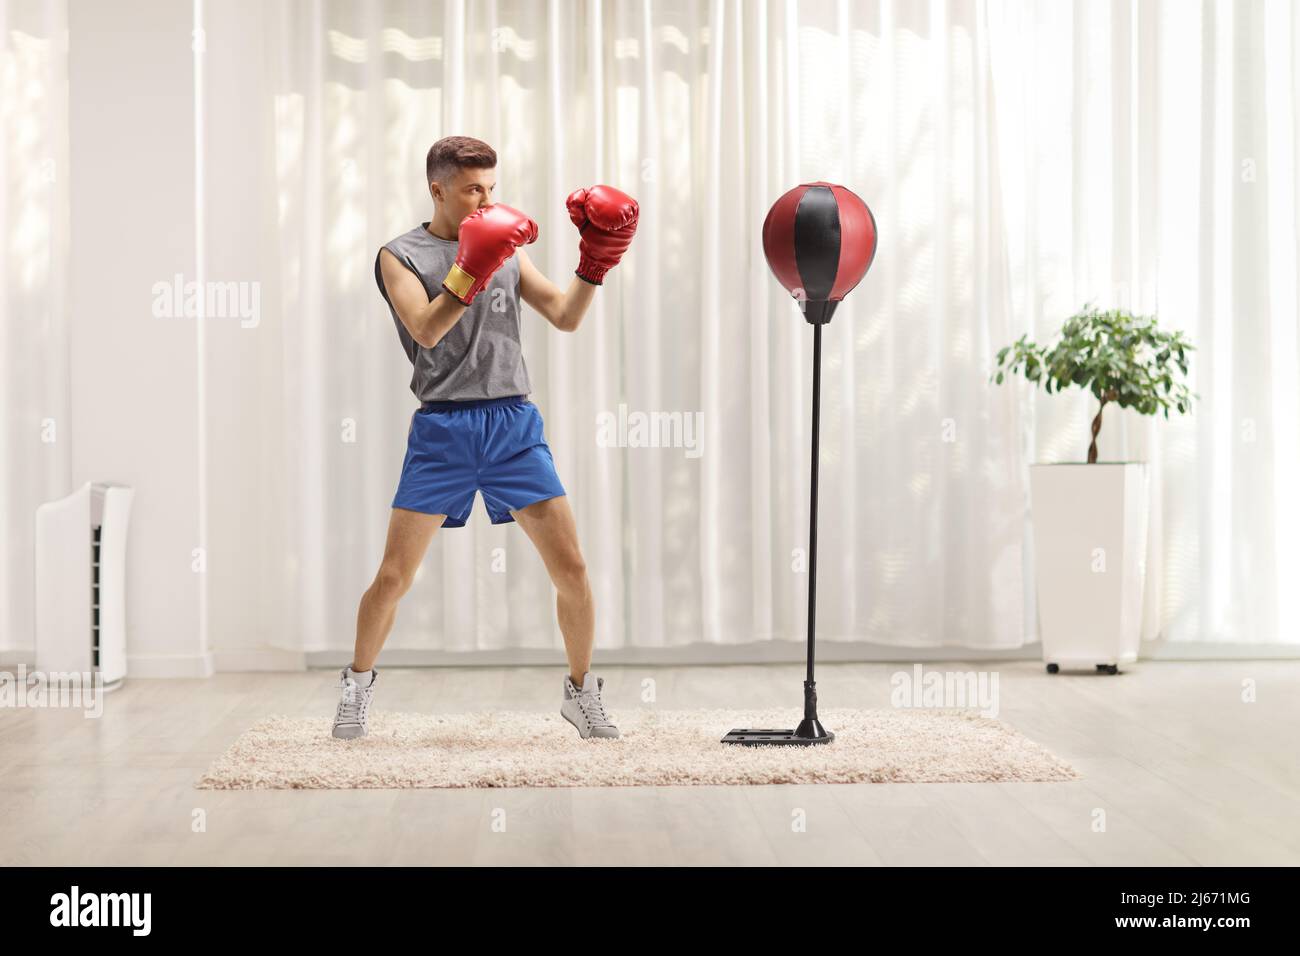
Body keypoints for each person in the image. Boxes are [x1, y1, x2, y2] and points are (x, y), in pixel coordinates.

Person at [331, 135, 638, 743]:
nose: (484, 201)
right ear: (437, 186)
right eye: (472, 189)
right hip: (443, 427)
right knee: (394, 576)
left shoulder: (506, 243)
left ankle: (581, 694)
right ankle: (356, 687)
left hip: (514, 426)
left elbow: (566, 315)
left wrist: (595, 263)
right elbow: (424, 329)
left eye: (491, 189)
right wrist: (470, 266)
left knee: (572, 568)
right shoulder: (400, 254)